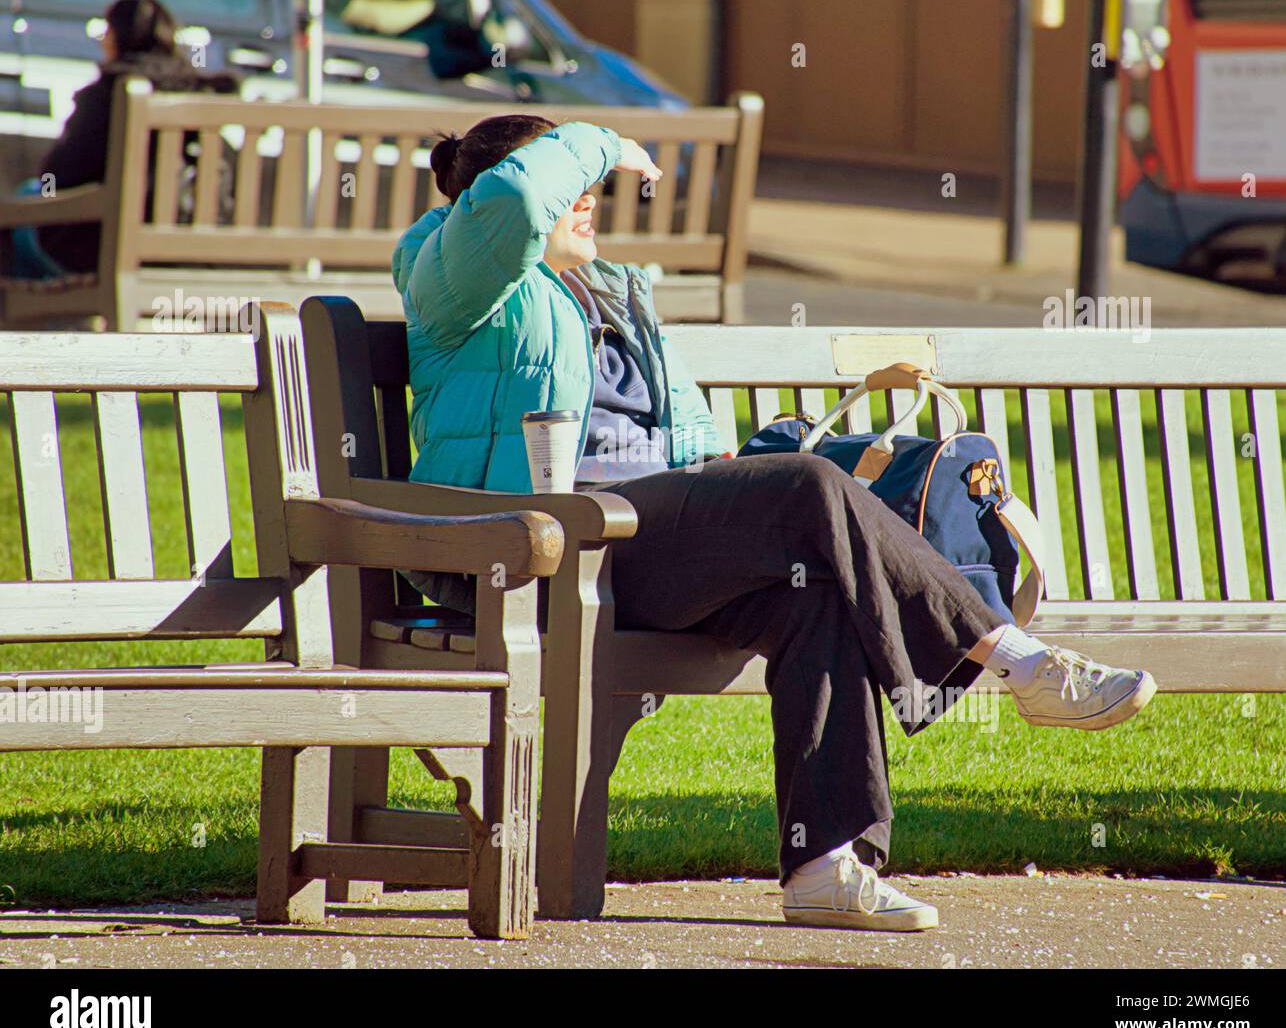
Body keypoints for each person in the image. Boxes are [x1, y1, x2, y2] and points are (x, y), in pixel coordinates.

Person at [393, 115, 1158, 932]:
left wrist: (726, 479)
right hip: (537, 549)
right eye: (574, 184)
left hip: (648, 544)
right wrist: (604, 140)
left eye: (595, 187)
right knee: (806, 487)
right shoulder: (452, 278)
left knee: (816, 589)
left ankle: (827, 866)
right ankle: (1017, 660)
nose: (589, 199)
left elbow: (688, 441)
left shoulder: (614, 291)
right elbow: (512, 199)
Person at [32, 0, 238, 275]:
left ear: (115, 38)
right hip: (199, 251)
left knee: (25, 206)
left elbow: (59, 176)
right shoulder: (204, 95)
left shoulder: (108, 94)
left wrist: (39, 192)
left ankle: (42, 314)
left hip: (109, 251)